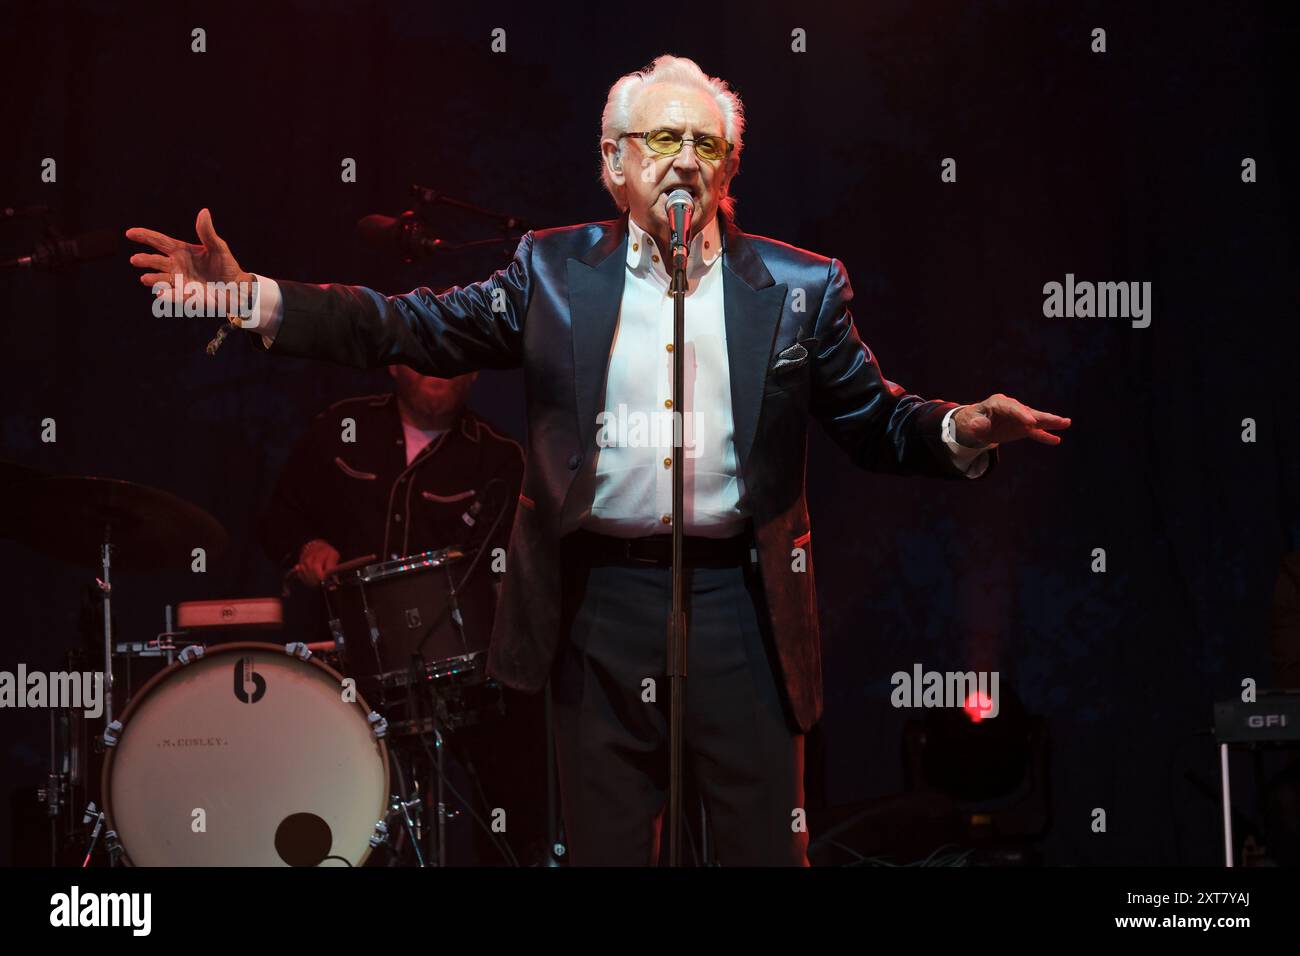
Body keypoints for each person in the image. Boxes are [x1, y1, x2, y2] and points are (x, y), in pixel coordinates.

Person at [127, 54, 1071, 866]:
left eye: (707, 146)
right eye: (664, 141)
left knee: (758, 851)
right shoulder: (551, 273)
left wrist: (961, 430)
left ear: (731, 167)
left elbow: (876, 420)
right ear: (614, 164)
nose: (686, 162)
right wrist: (251, 299)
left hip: (741, 606)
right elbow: (406, 324)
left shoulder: (799, 287)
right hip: (596, 608)